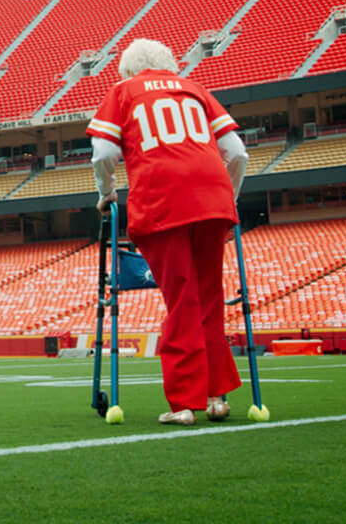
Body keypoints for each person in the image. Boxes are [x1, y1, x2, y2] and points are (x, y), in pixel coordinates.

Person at [87, 38, 248, 425]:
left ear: (128, 69)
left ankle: (184, 403)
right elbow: (237, 152)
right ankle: (217, 397)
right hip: (213, 198)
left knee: (181, 300)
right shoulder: (195, 88)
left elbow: (104, 153)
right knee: (210, 298)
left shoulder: (123, 91)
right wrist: (228, 195)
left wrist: (107, 194)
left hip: (162, 199)